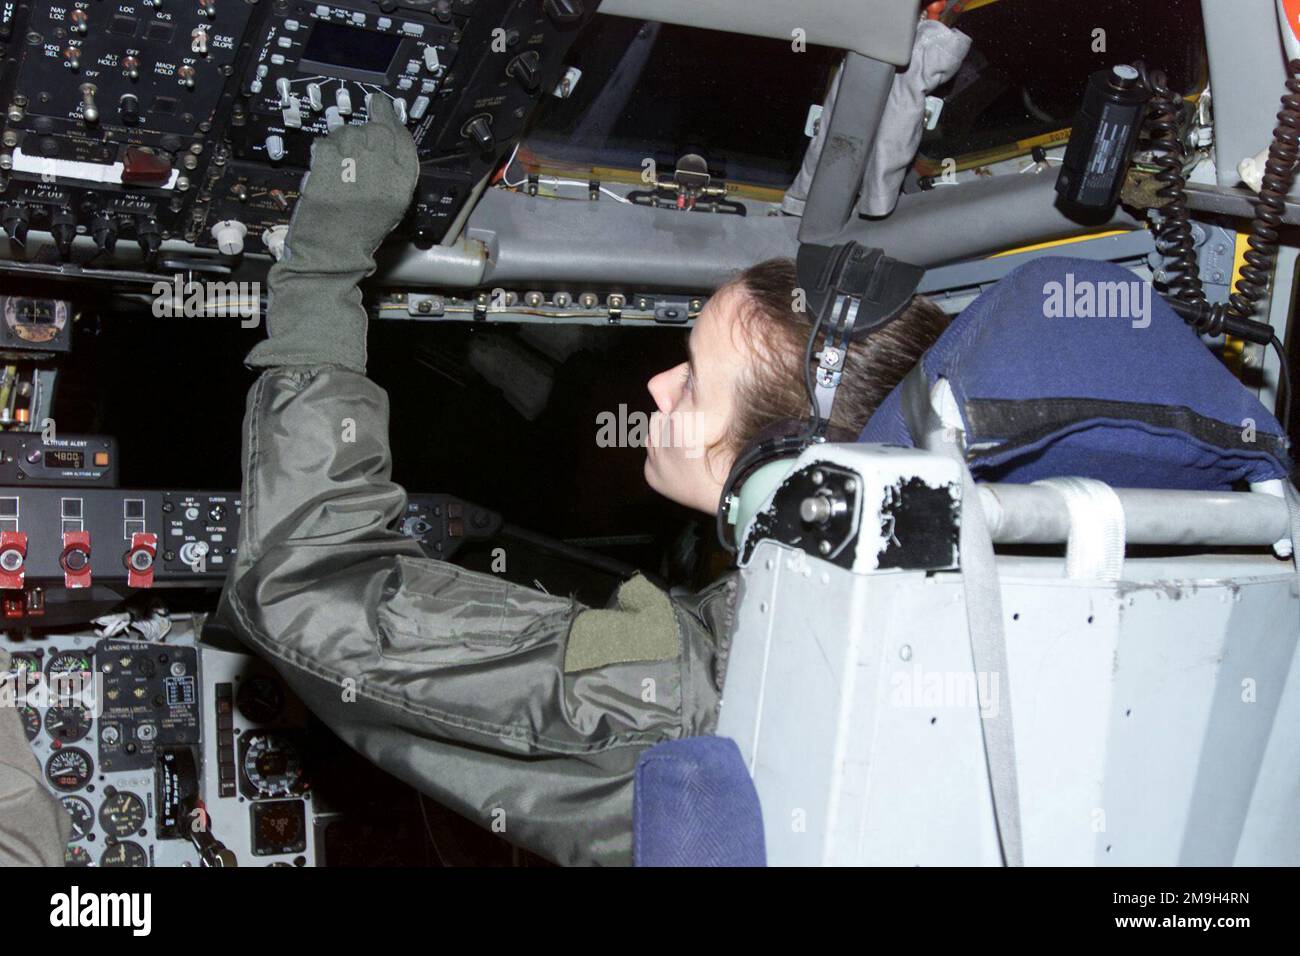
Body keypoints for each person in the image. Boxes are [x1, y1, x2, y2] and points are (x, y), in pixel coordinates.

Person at [219, 100, 948, 865]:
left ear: (786, 475)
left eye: (695, 382)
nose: (659, 388)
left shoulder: (689, 690)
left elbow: (305, 590)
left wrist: (320, 277)